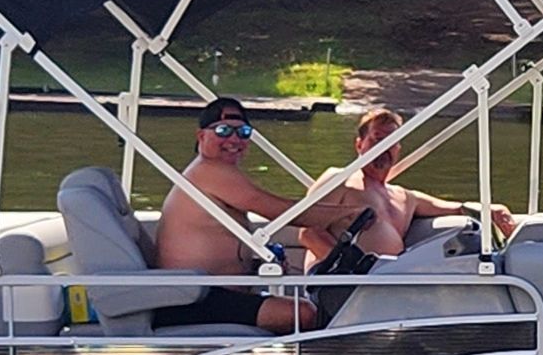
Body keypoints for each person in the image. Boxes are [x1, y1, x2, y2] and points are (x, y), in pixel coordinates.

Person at [153, 97, 328, 331]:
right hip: (188, 299)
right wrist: (347, 215)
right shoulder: (208, 171)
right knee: (304, 314)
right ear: (201, 136)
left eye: (243, 132)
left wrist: (253, 265)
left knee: (306, 308)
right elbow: (285, 212)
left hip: (210, 294)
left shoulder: (219, 173)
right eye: (224, 130)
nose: (234, 139)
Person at [303, 108, 517, 261]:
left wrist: (490, 209)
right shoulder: (339, 179)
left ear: (398, 149)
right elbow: (308, 233)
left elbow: (456, 207)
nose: (384, 148)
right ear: (359, 144)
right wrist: (349, 271)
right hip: (338, 283)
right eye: (377, 139)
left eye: (391, 142)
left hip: (386, 285)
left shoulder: (405, 197)